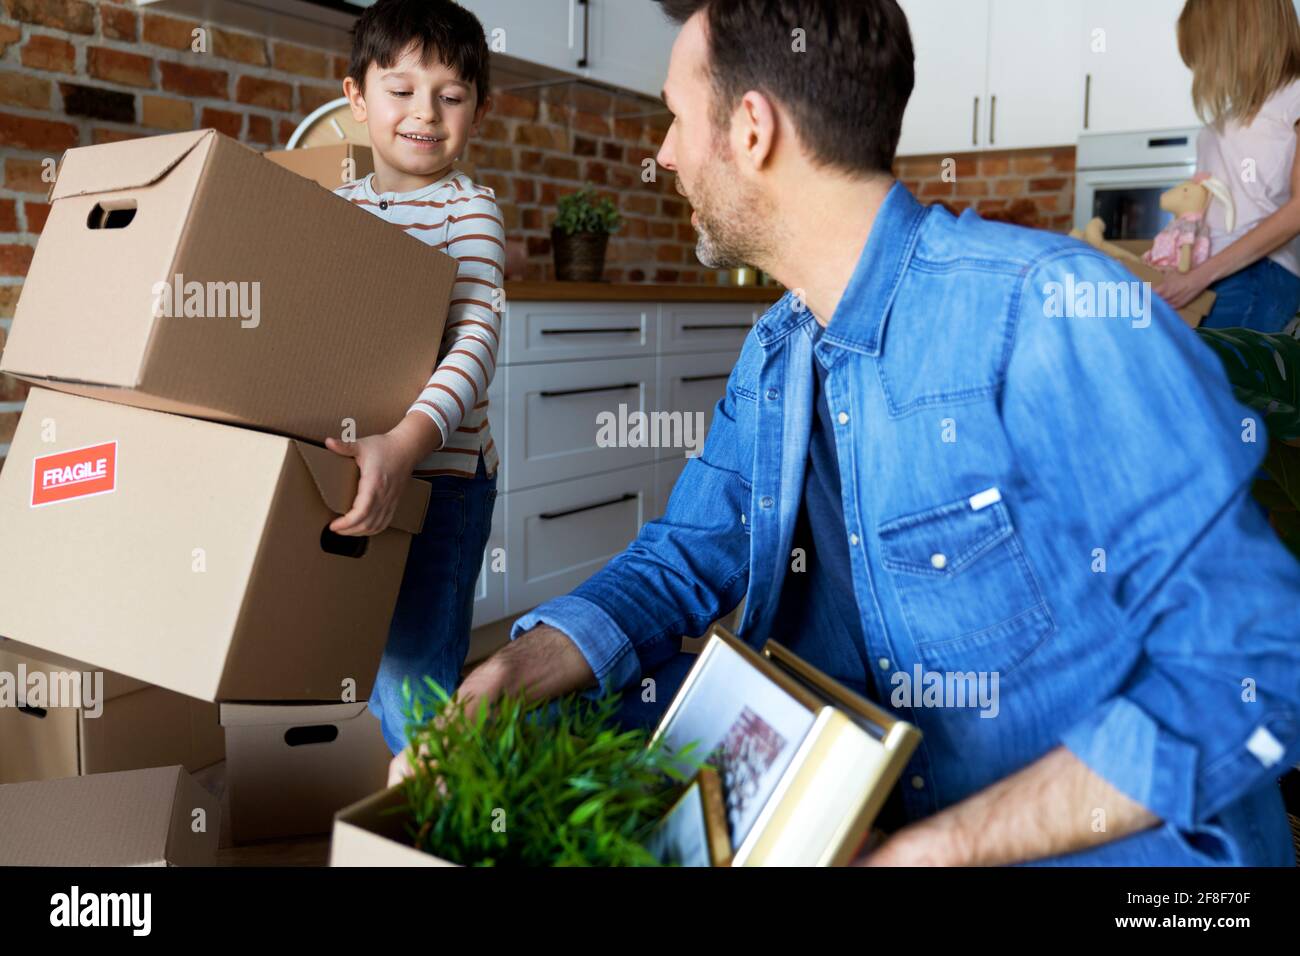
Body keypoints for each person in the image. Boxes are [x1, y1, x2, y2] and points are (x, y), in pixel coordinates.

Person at [395, 0, 1300, 866]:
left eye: (674, 119)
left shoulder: (1047, 315)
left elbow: (1256, 664)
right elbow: (688, 550)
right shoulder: (778, 344)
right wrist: (510, 671)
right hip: (858, 802)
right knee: (551, 725)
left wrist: (926, 853)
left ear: (751, 130)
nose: (665, 157)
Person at [328, 0, 503, 755]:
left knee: (414, 687)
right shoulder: (338, 211)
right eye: (400, 91)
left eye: (451, 95)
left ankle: (446, 820)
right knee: (372, 666)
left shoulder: (469, 211)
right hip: (358, 466)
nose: (424, 113)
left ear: (476, 110)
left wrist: (404, 443)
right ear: (357, 98)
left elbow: (474, 340)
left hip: (443, 484)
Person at [1156, 0, 1300, 332]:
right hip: (1213, 272)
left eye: (1207, 51)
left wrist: (1197, 279)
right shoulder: (1232, 114)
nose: (1202, 68)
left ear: (1238, 38)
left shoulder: (1294, 96)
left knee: (1215, 381)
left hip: (1258, 272)